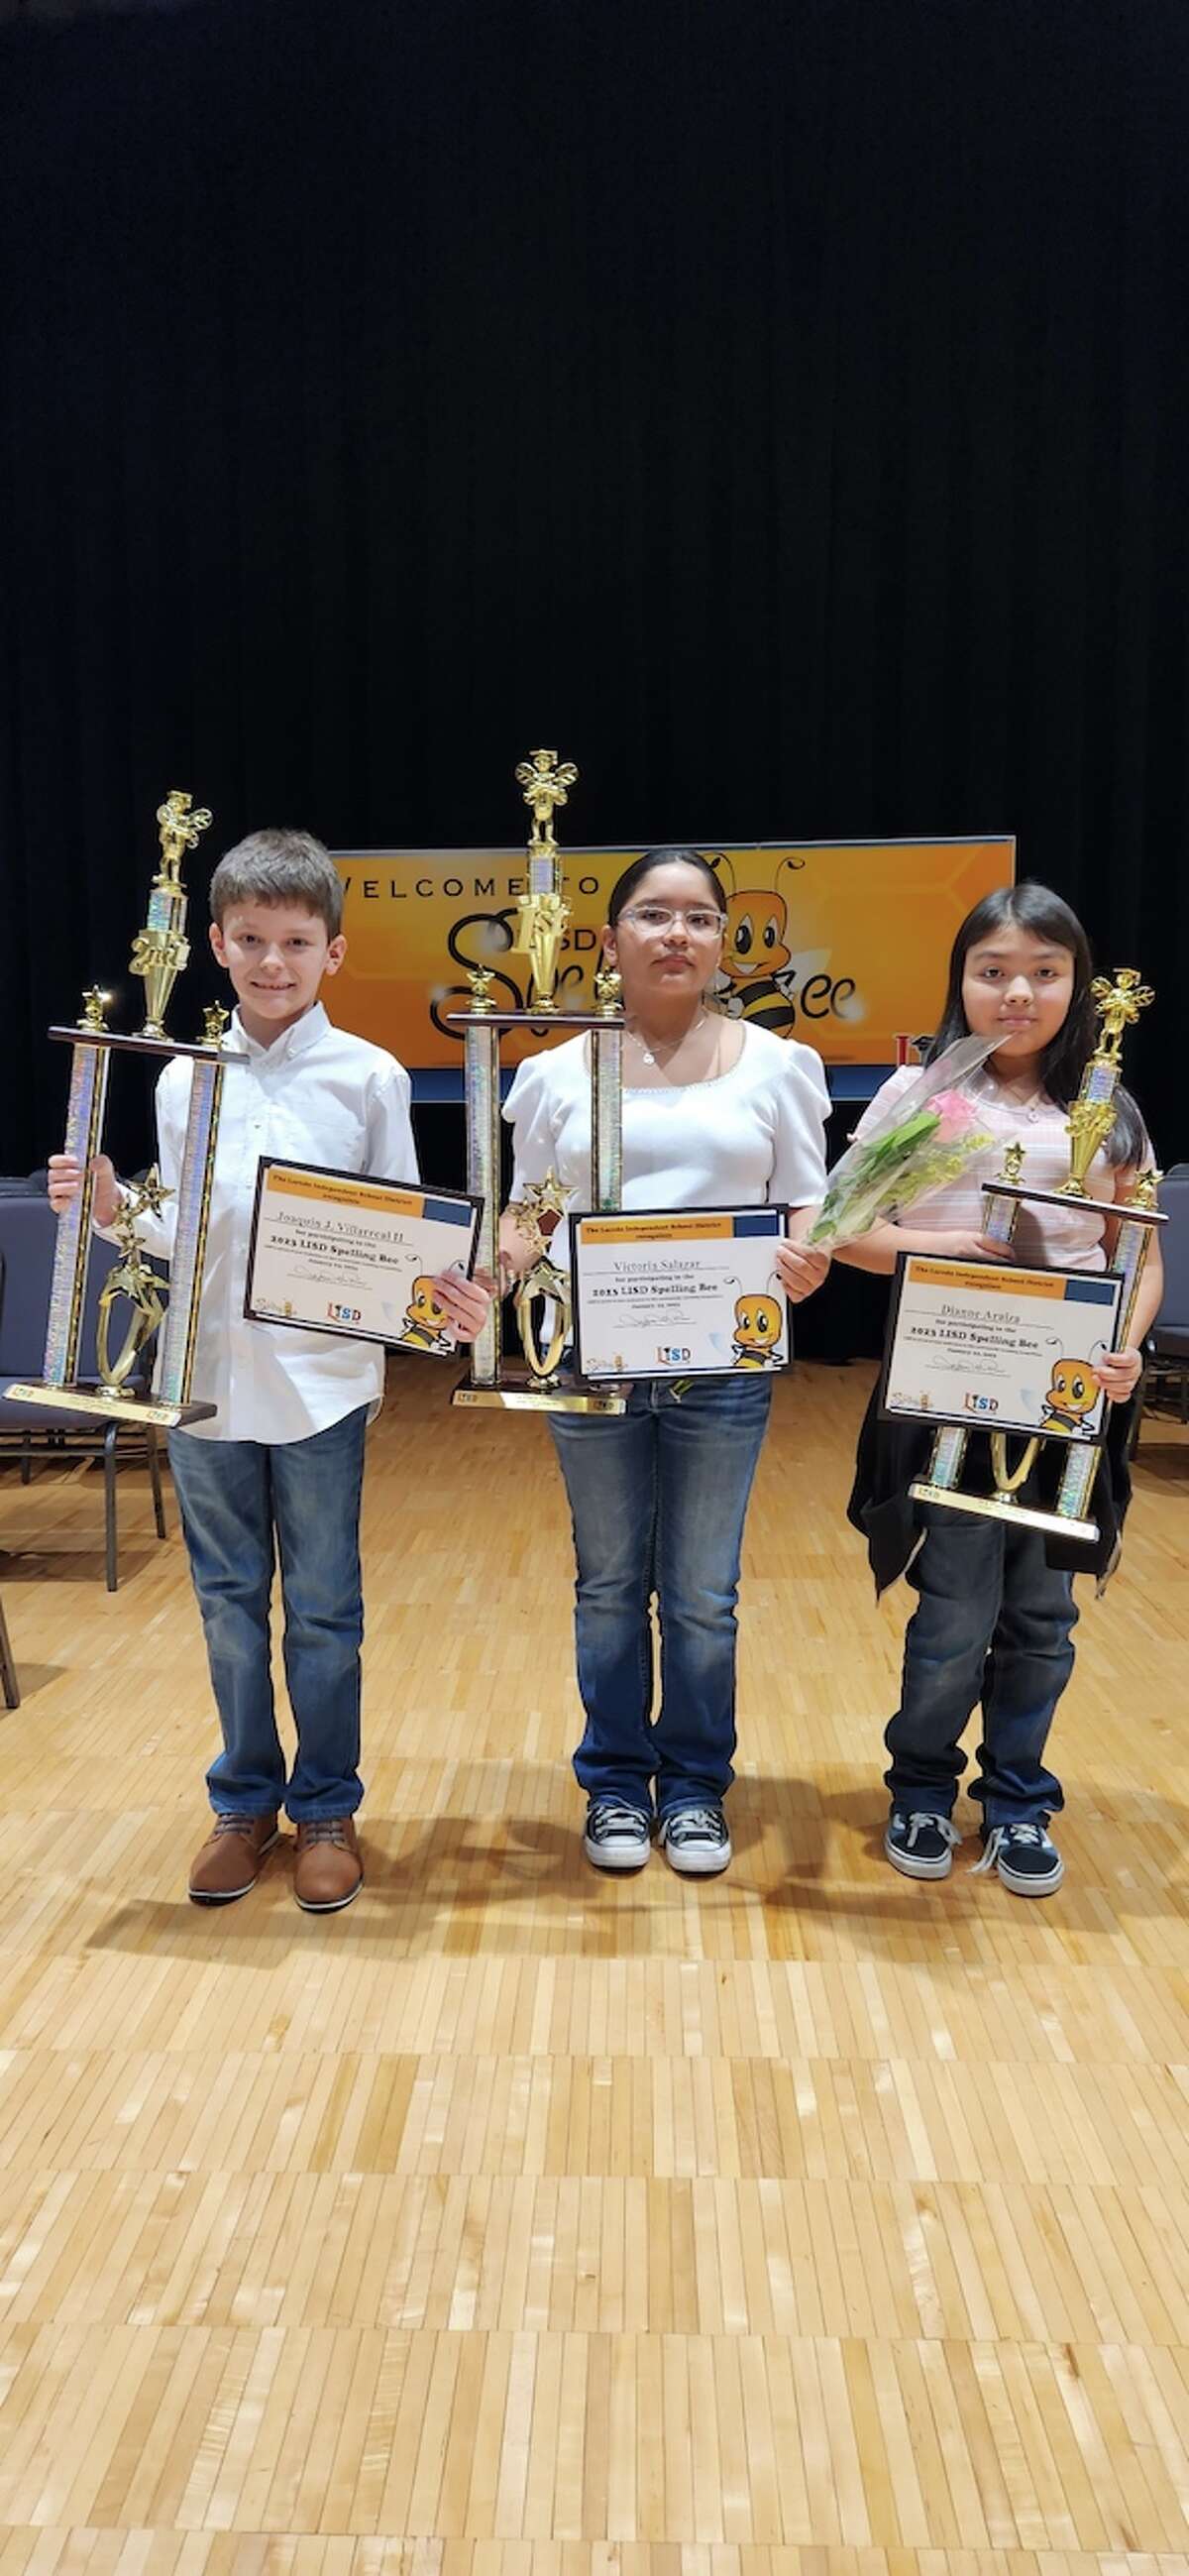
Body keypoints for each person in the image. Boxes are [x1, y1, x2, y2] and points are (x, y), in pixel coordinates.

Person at [49, 830, 489, 1913]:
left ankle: (327, 1806)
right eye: (251, 939)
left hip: (322, 1382)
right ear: (215, 944)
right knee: (228, 1602)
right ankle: (242, 1801)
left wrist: (445, 1290)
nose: (272, 962)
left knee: (326, 1607)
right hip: (202, 1377)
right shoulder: (183, 1077)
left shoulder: (370, 1076)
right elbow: (179, 1230)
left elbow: (404, 1234)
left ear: (333, 951)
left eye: (296, 942)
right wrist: (112, 1207)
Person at [500, 847, 830, 1878]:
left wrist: (810, 1255)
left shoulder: (779, 1065)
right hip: (589, 1360)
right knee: (607, 1582)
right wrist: (486, 1266)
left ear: (724, 940)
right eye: (653, 915)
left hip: (725, 1365)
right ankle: (613, 1779)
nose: (676, 933)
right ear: (611, 941)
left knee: (700, 1591)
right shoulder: (555, 1073)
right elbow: (528, 1208)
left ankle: (691, 1786)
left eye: (698, 917)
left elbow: (807, 1199)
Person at [838, 882, 1163, 1897]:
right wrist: (942, 1249)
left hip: (1068, 1402)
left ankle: (1019, 1798)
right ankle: (923, 1788)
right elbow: (842, 1231)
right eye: (994, 972)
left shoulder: (1106, 1107)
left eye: (1044, 973)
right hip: (954, 1391)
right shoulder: (923, 1094)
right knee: (954, 1610)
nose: (1018, 993)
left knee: (1043, 1616)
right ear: (961, 981)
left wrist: (1128, 1349)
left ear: (1077, 983)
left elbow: (1139, 1256)